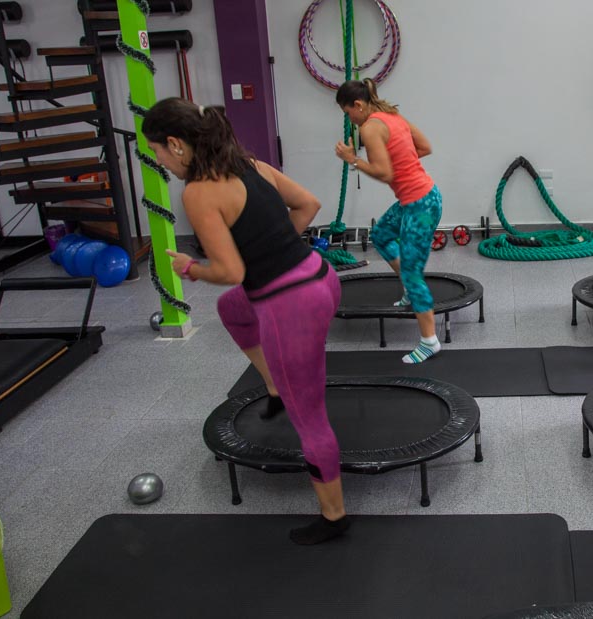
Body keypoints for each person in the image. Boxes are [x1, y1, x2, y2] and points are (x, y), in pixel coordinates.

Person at [143, 98, 348, 545]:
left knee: (309, 417)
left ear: (175, 144)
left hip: (289, 306)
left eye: (157, 151)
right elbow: (308, 205)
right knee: (233, 310)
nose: (160, 161)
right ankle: (274, 386)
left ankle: (334, 517)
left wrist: (190, 269)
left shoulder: (198, 192)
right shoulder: (250, 164)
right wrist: (272, 247)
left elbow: (230, 271)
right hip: (321, 276)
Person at [334, 79, 443, 364]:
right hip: (421, 198)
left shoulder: (370, 128)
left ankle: (429, 341)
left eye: (348, 112)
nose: (349, 118)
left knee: (412, 272)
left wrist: (352, 159)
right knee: (382, 234)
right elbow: (425, 147)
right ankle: (407, 287)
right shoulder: (393, 116)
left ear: (358, 105)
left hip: (420, 206)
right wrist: (402, 160)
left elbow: (384, 173)